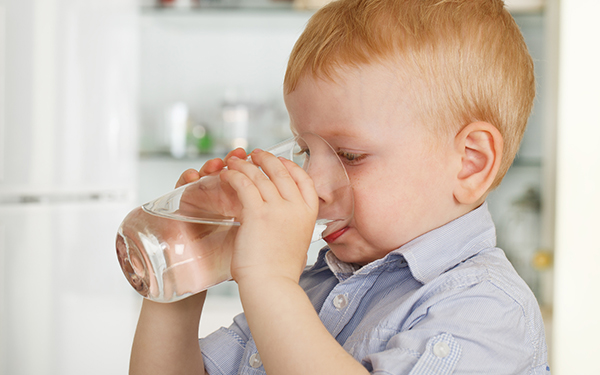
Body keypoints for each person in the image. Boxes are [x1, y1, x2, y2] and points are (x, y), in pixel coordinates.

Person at [129, 0, 550, 373]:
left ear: (470, 163)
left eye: (350, 156)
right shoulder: (315, 287)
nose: (313, 184)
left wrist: (271, 283)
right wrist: (182, 279)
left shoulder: (487, 310)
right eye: (305, 151)